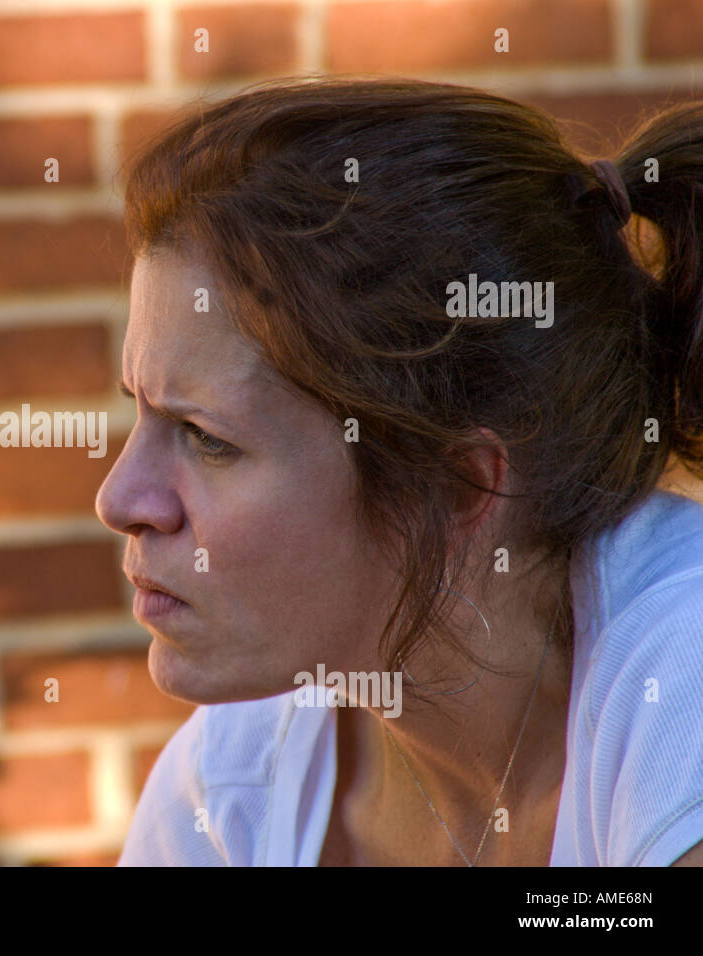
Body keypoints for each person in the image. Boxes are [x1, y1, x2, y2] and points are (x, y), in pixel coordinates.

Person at [97, 75, 703, 866]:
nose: (120, 499)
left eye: (207, 438)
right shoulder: (235, 781)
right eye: (140, 411)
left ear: (459, 487)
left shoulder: (680, 682)